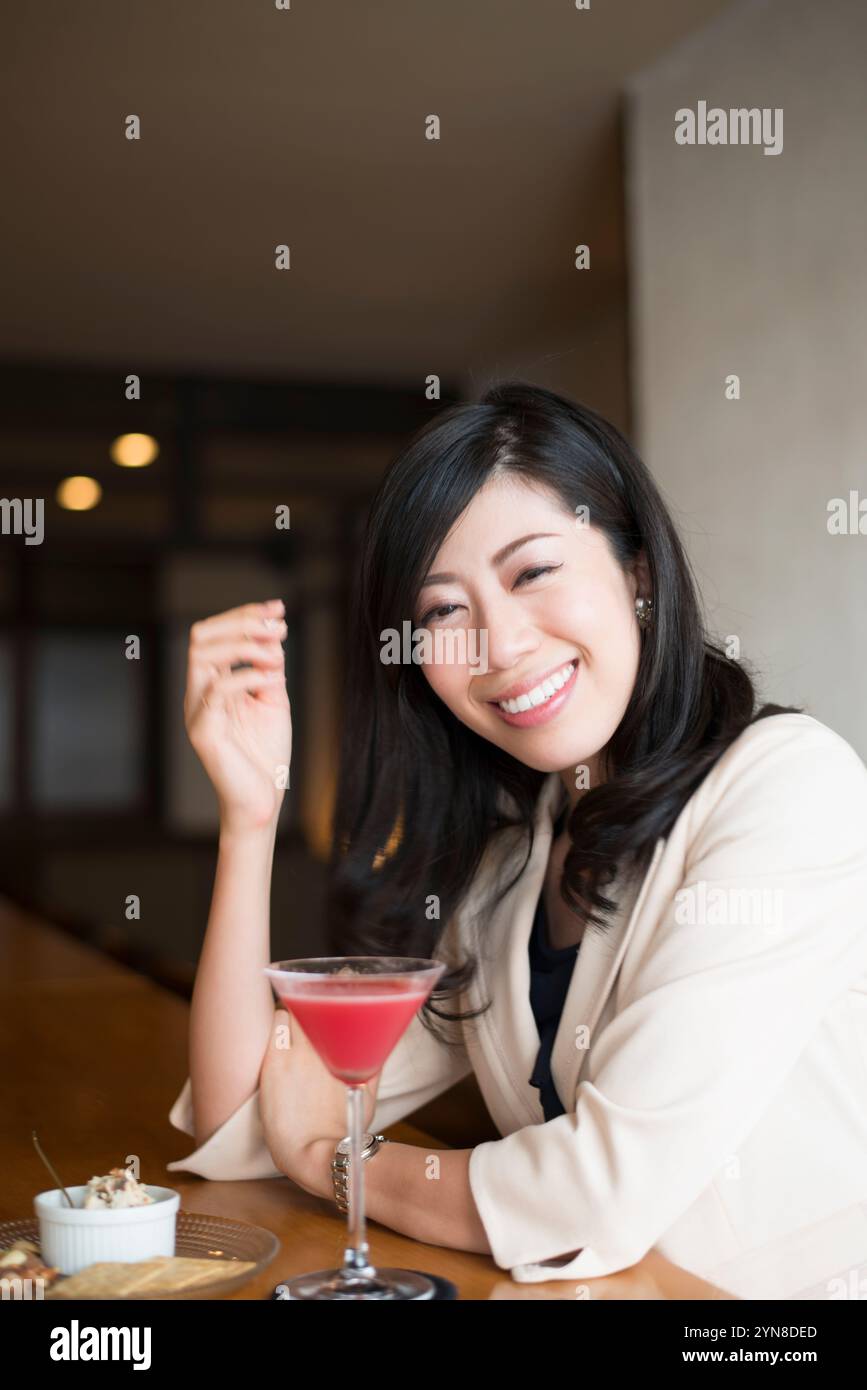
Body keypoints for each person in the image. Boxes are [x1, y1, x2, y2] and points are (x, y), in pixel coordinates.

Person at [167, 381, 867, 1298]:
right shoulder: (511, 865)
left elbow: (593, 1197)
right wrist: (250, 817)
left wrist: (338, 1166)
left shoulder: (786, 787)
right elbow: (248, 1123)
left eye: (532, 573)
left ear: (638, 575)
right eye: (442, 612)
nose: (495, 646)